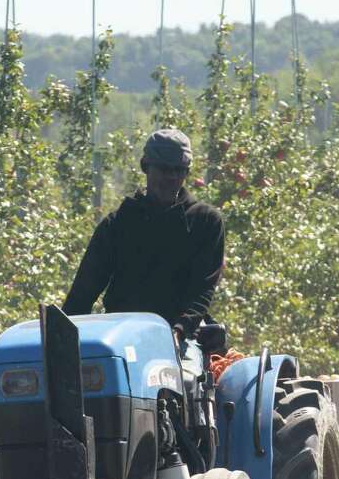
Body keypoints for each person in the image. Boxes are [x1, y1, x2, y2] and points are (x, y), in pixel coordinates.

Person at [62, 129, 225, 347]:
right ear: (146, 167)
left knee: (185, 380)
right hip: (121, 338)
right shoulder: (119, 223)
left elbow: (202, 289)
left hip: (181, 338)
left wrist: (179, 331)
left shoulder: (205, 222)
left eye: (179, 170)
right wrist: (61, 337)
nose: (172, 178)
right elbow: (83, 292)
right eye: (164, 169)